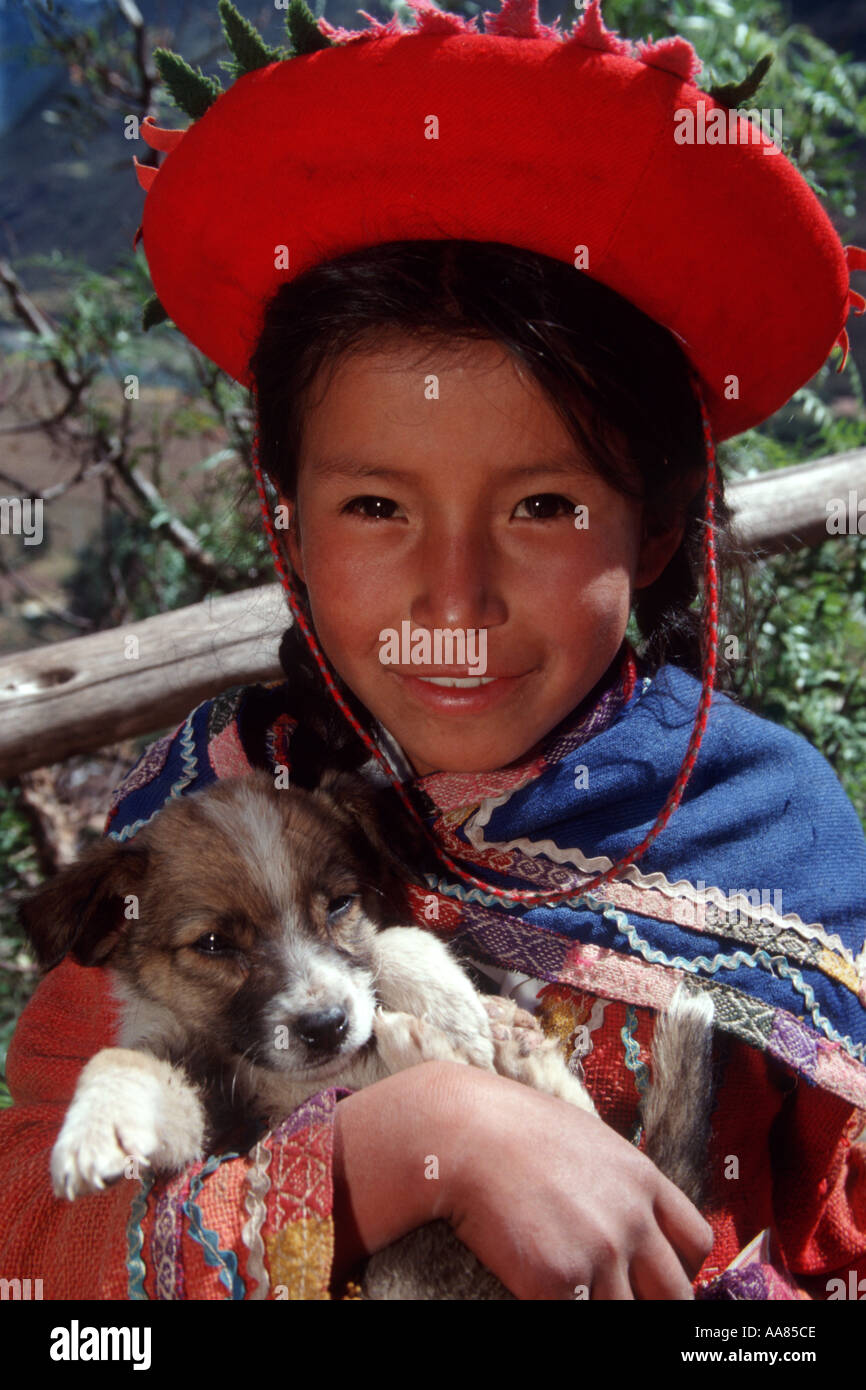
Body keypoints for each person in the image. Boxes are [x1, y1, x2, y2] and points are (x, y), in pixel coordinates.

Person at [2, 0, 865, 1301]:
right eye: (376, 506)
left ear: (653, 526)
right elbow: (36, 1260)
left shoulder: (769, 832)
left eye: (540, 506)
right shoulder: (201, 809)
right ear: (283, 519)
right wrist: (406, 1150)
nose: (450, 594)